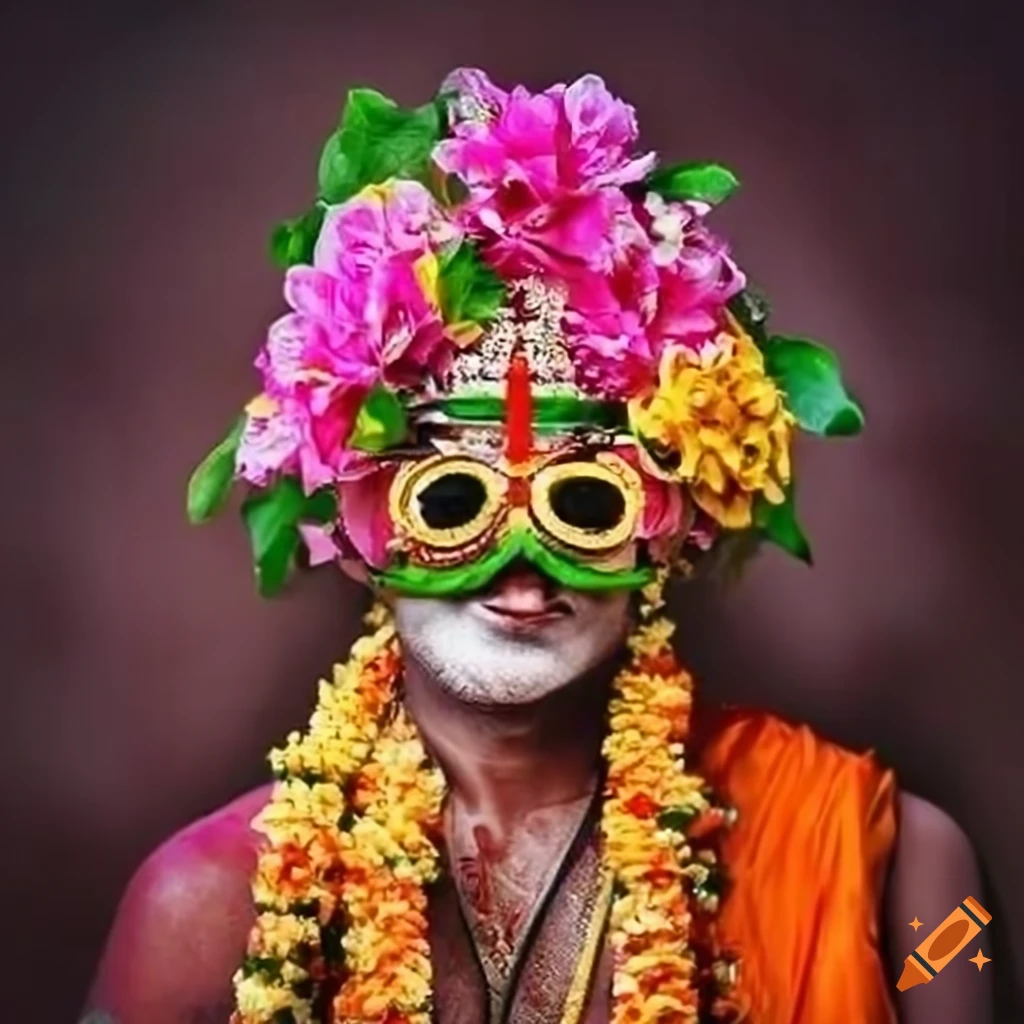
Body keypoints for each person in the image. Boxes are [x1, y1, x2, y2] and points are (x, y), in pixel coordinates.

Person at [83, 68, 991, 1024]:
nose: (521, 559)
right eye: (453, 499)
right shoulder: (198, 909)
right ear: (352, 526)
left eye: (585, 499)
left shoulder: (902, 880)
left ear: (674, 520)